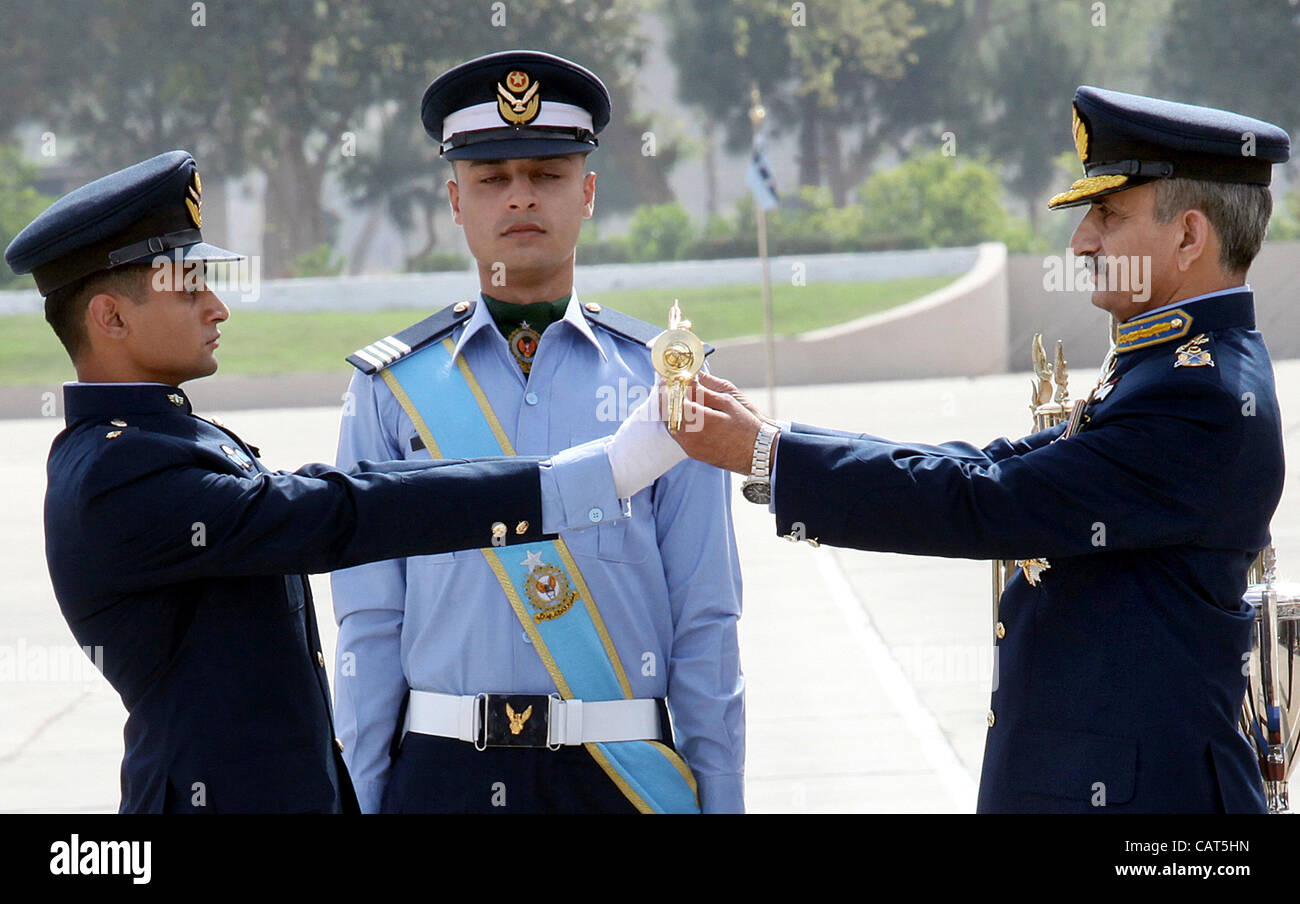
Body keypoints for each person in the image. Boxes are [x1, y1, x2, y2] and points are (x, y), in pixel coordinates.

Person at [672, 86, 1290, 813]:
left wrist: (768, 456)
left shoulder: (1200, 393)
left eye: (1107, 215)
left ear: (1189, 238)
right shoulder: (1168, 365)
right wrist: (780, 445)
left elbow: (987, 504)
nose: (1081, 243)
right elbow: (992, 465)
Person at [5, 149, 681, 813]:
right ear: (111, 317)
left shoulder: (164, 440)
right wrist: (593, 476)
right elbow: (337, 512)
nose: (218, 308)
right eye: (190, 287)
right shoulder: (118, 473)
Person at [332, 50, 744, 814]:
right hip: (443, 776)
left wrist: (721, 801)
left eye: (547, 175)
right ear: (455, 201)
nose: (520, 197)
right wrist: (359, 798)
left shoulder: (666, 383)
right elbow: (369, 624)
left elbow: (705, 618)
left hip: (621, 781)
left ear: (587, 193)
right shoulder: (390, 389)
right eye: (492, 180)